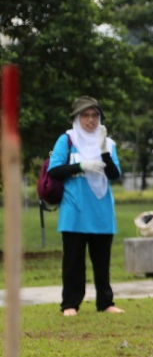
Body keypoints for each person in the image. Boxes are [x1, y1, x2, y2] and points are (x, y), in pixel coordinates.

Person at [46, 96, 125, 316]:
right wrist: (81, 165)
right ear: (76, 118)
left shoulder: (107, 142)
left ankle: (105, 302)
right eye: (85, 115)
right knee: (73, 261)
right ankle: (70, 303)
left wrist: (103, 151)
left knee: (102, 261)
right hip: (75, 209)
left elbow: (114, 174)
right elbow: (54, 170)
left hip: (101, 210)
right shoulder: (67, 140)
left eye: (94, 115)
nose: (90, 120)